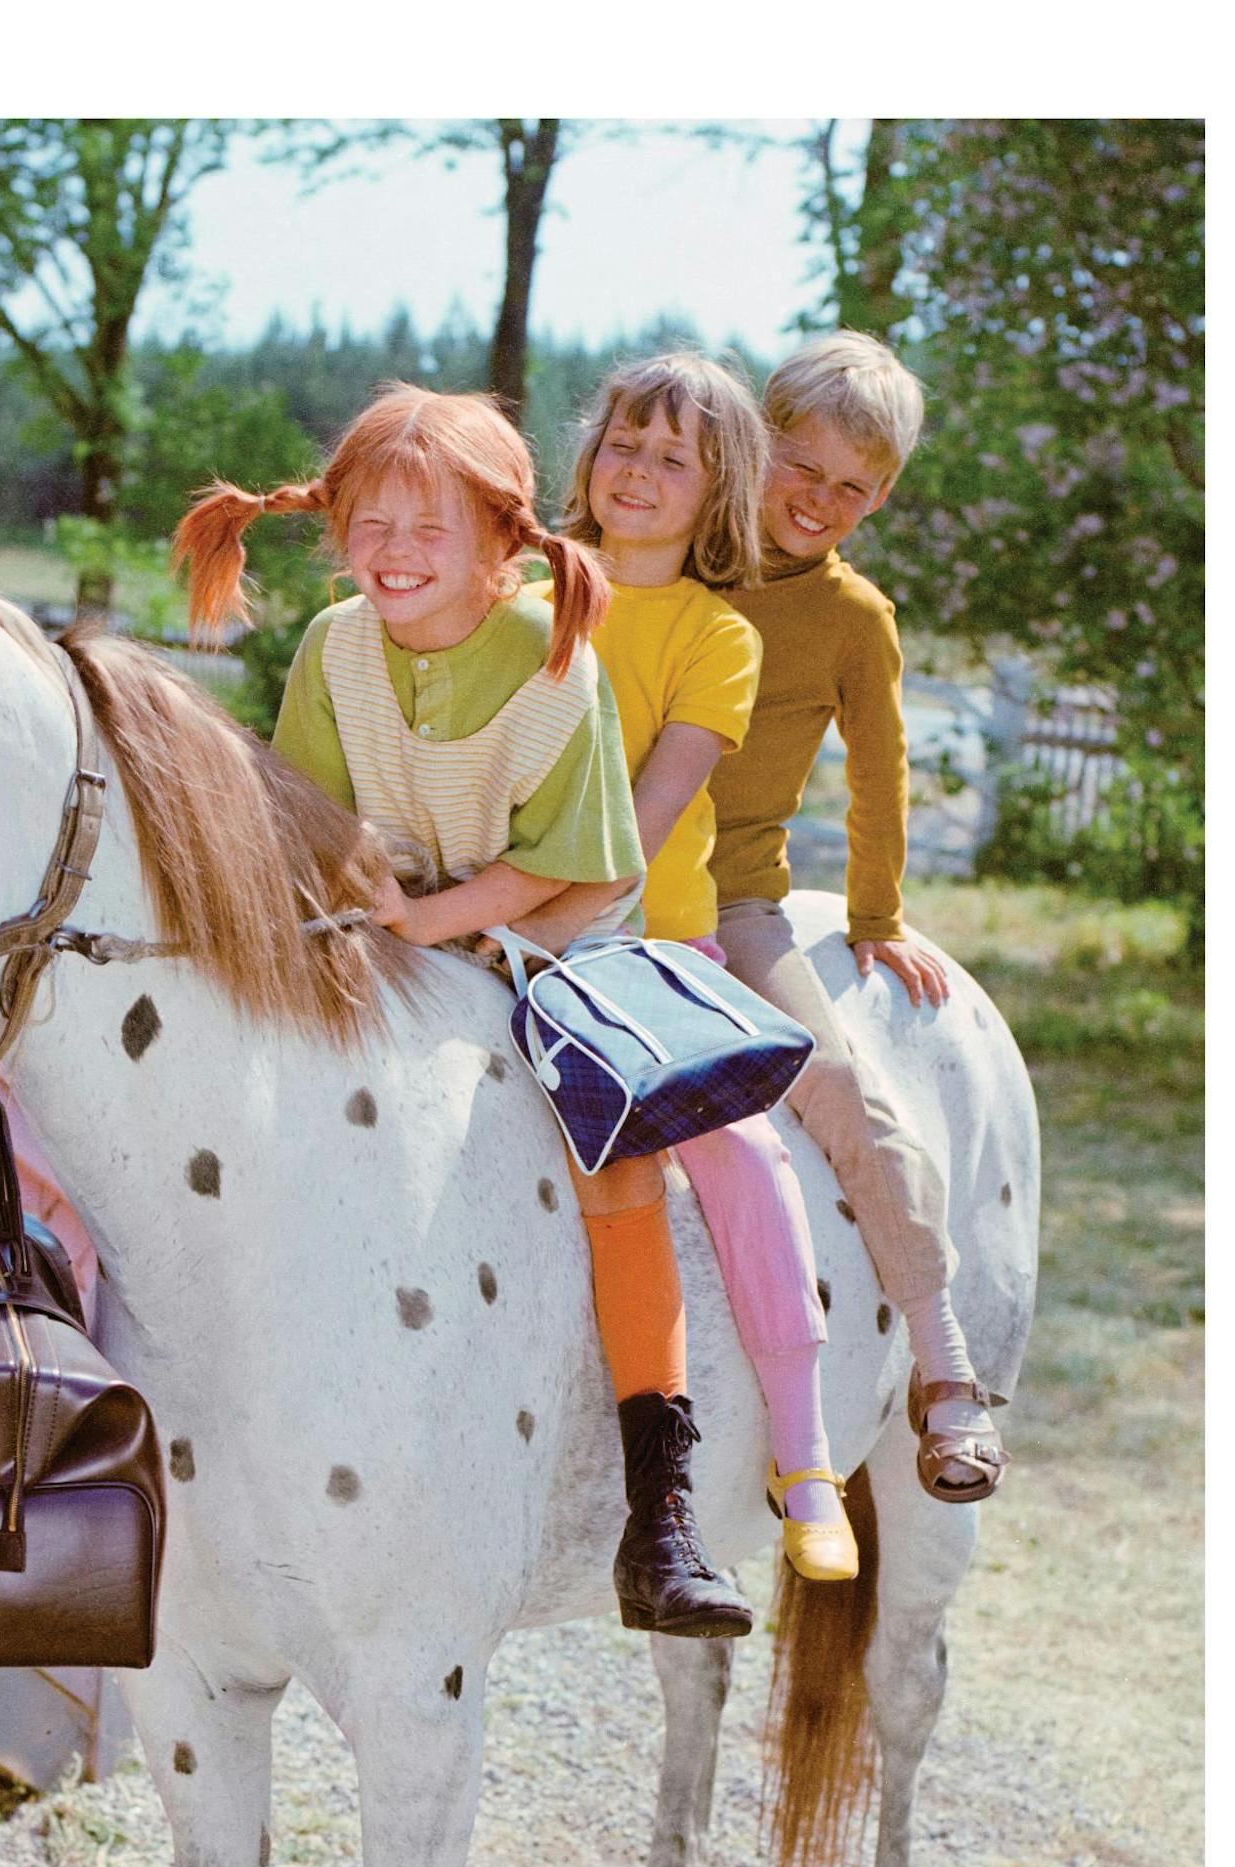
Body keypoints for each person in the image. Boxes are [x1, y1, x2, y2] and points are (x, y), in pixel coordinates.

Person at [172, 382, 752, 1637]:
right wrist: (348, 881)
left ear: (502, 546)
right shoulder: (334, 648)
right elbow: (312, 815)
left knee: (615, 1165)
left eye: (426, 528)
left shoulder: (553, 660)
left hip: (554, 928)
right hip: (400, 909)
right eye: (367, 522)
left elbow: (564, 857)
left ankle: (659, 1504)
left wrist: (430, 921)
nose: (389, 552)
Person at [557, 350, 857, 1582]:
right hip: (490, 930)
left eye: (670, 457)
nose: (636, 470)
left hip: (640, 951)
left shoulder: (714, 635)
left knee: (736, 1144)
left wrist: (524, 919)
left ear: (714, 488)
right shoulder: (523, 589)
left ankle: (802, 1449)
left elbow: (637, 822)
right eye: (622, 443)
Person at [708, 331, 1006, 1501]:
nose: (822, 503)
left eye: (855, 489)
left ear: (879, 497)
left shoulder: (853, 617)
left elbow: (876, 777)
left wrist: (875, 914)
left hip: (730, 899)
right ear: (756, 442)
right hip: (572, 878)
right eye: (804, 468)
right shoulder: (664, 553)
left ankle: (942, 1366)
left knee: (844, 1095)